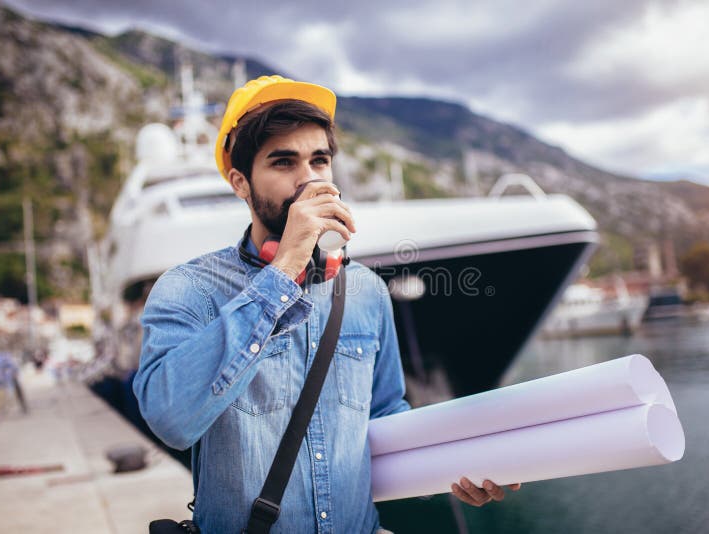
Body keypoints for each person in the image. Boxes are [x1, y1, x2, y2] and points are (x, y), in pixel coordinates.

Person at [133, 75, 519, 534]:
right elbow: (172, 420)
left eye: (320, 160)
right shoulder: (187, 288)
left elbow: (385, 415)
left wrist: (457, 467)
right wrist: (282, 274)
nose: (309, 179)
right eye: (283, 162)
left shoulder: (367, 291)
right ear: (241, 183)